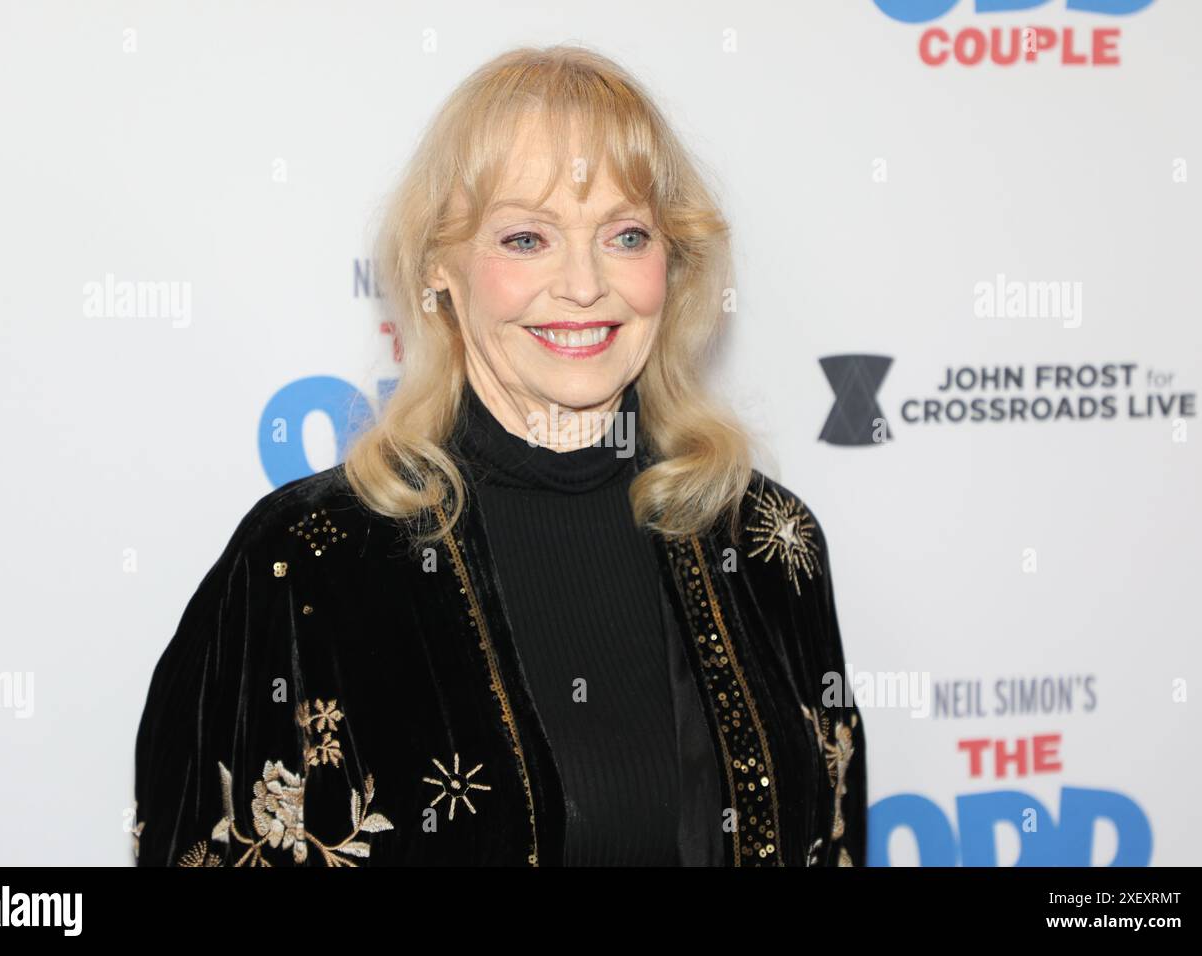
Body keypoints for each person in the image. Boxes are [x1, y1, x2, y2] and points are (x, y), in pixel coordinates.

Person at [133, 44, 866, 867]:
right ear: (440, 268)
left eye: (625, 234)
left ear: (673, 262)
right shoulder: (303, 566)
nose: (584, 285)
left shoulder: (767, 543)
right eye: (527, 238)